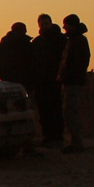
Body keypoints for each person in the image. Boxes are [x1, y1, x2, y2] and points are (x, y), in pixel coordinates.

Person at [29, 14, 66, 145]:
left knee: (55, 109)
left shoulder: (61, 40)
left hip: (55, 80)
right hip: (41, 81)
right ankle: (47, 136)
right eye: (42, 24)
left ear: (50, 23)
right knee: (44, 111)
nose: (44, 26)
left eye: (46, 24)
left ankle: (58, 137)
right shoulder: (37, 42)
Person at [60, 13, 92, 152]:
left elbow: (77, 63)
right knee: (70, 111)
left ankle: (76, 142)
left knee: (70, 111)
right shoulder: (74, 40)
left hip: (74, 81)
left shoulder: (78, 41)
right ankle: (74, 140)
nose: (64, 27)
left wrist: (68, 75)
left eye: (66, 25)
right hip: (72, 81)